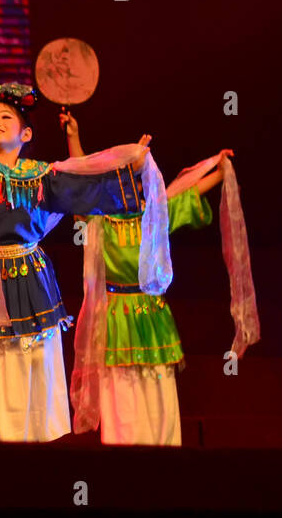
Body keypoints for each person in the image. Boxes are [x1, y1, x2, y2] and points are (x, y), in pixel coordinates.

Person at [0, 54, 153, 442]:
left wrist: (128, 163)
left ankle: (36, 444)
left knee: (37, 360)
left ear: (26, 135)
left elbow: (85, 180)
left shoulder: (42, 176)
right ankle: (0, 440)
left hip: (33, 278)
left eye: (6, 118)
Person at [62, 109, 251, 445]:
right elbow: (80, 179)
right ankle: (124, 447)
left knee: (156, 382)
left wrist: (219, 170)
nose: (130, 186)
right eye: (123, 178)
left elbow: (186, 195)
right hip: (116, 312)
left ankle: (163, 448)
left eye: (137, 178)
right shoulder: (98, 220)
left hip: (151, 312)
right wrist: (73, 137)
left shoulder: (155, 215)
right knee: (120, 385)